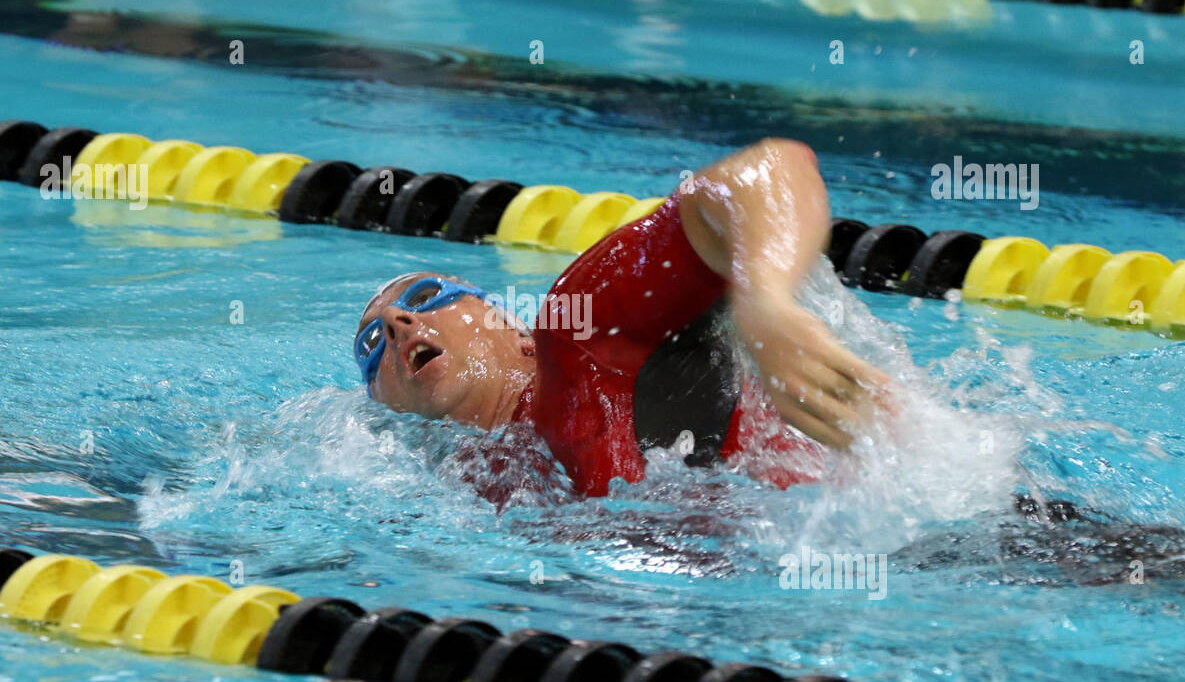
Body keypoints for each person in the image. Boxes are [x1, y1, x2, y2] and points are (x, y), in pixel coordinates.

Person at [352, 138, 888, 497]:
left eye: (427, 297)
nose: (398, 322)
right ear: (383, 405)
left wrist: (765, 303)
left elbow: (764, 170)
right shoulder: (453, 485)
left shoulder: (576, 334)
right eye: (371, 344)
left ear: (513, 331)